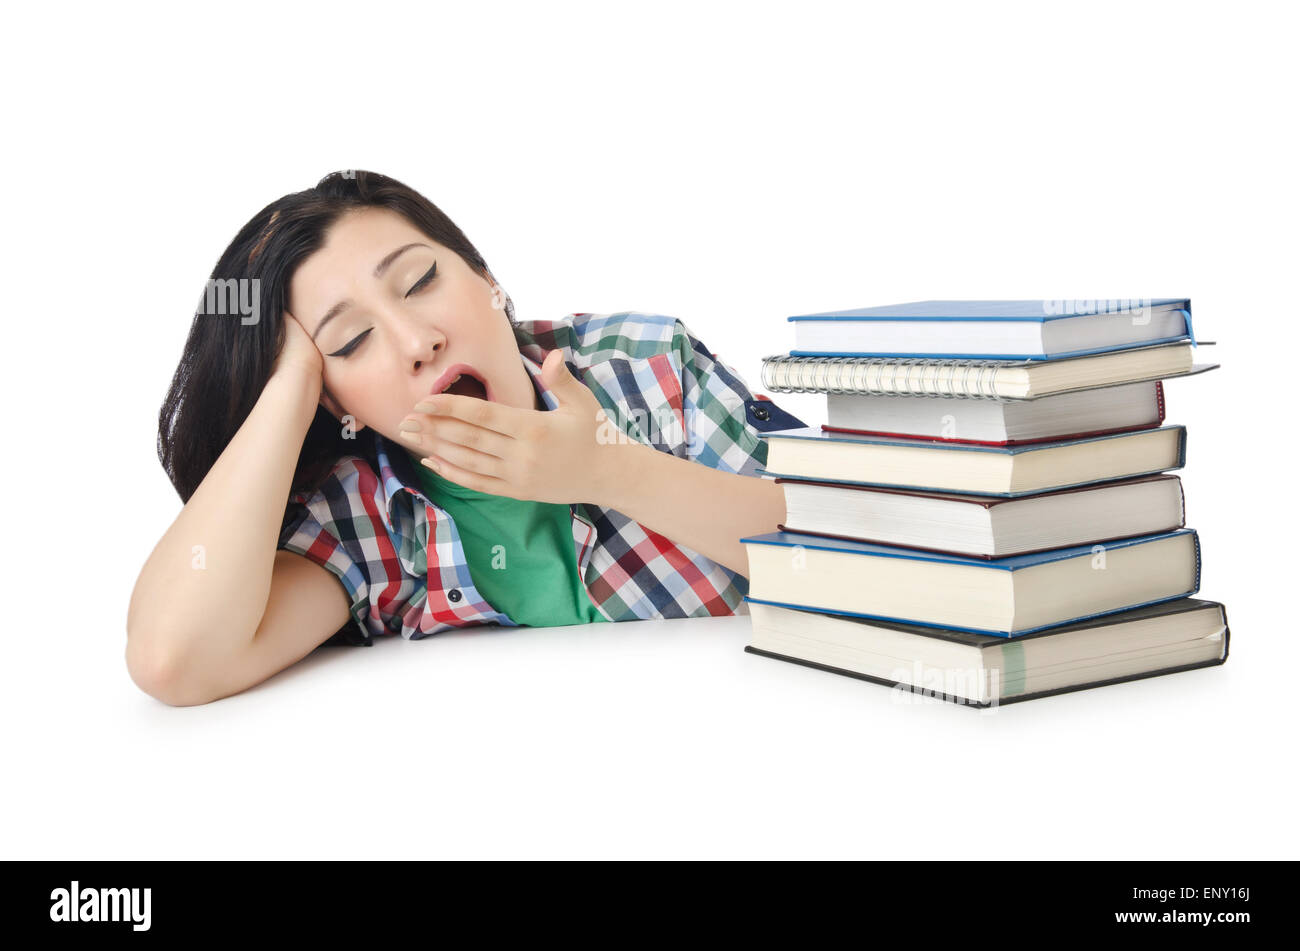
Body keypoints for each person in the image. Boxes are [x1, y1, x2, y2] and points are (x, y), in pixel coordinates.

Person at [127, 170, 806, 706]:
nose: (417, 342)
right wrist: (290, 385)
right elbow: (172, 659)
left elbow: (867, 547)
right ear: (335, 403)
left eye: (420, 281)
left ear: (486, 281)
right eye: (352, 341)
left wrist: (609, 470)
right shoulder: (369, 521)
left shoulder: (645, 366)